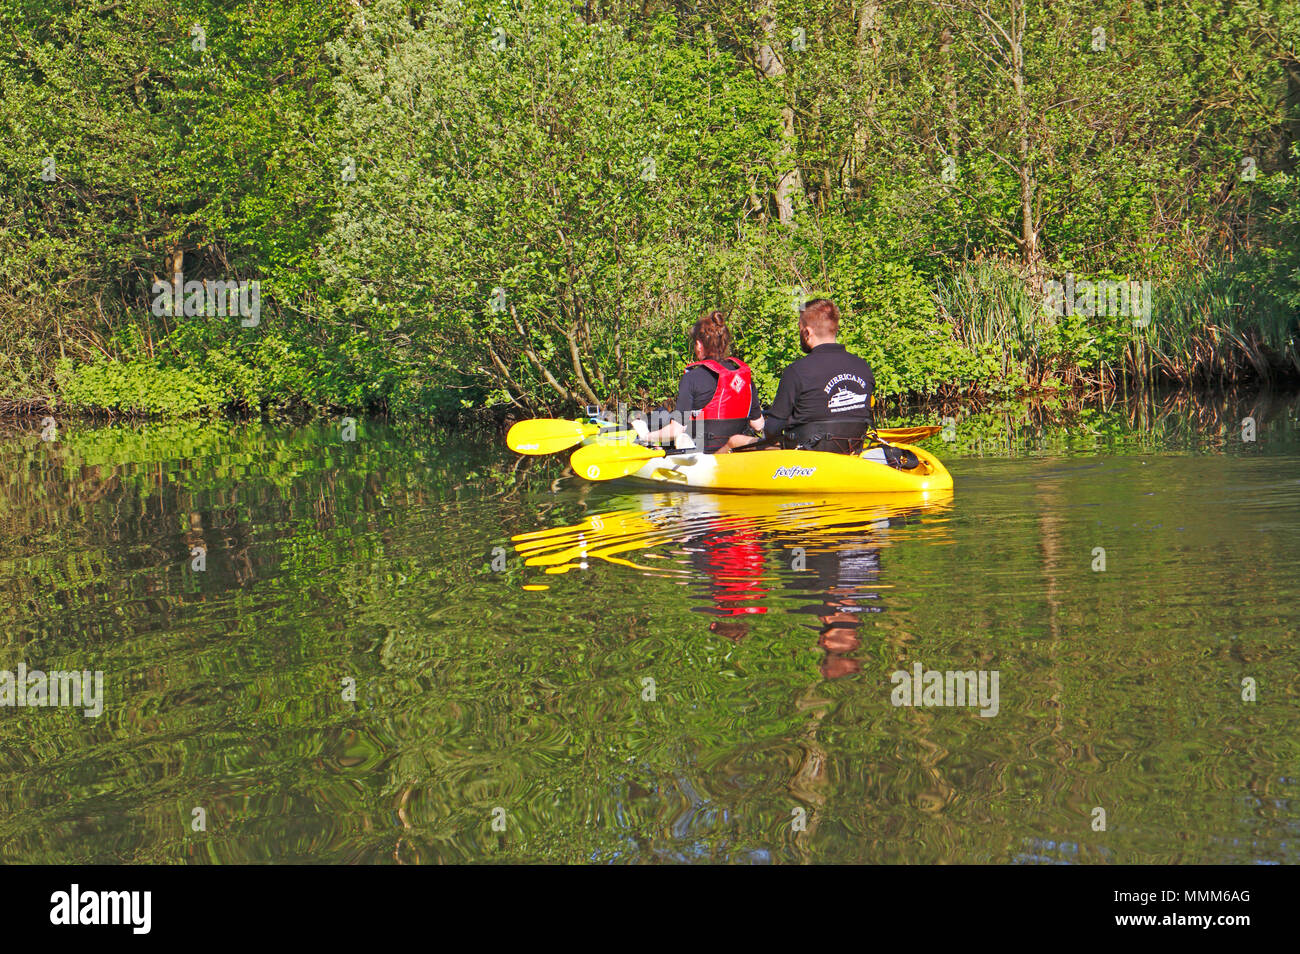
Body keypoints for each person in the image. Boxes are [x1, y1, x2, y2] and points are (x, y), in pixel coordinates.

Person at [633, 311, 765, 453]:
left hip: (705, 454)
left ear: (699, 344)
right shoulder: (744, 377)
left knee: (660, 420)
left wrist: (646, 436)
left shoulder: (693, 377)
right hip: (737, 451)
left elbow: (676, 430)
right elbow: (758, 425)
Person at [757, 298, 876, 454]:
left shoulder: (796, 371)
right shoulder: (863, 367)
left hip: (807, 461)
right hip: (852, 454)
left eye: (799, 328)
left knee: (736, 441)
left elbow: (772, 431)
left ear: (807, 332)